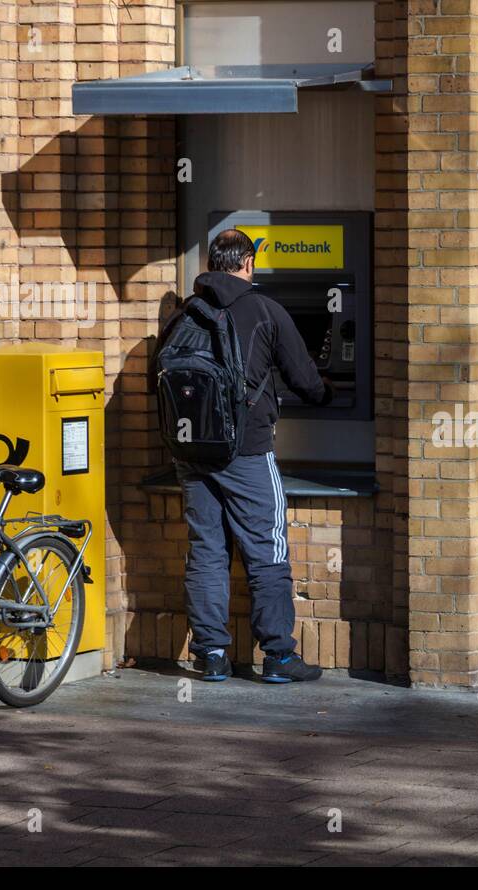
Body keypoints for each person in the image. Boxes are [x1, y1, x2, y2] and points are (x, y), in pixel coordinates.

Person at [171, 228, 333, 682]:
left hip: (192, 452)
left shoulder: (186, 311)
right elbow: (305, 378)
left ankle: (211, 656)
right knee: (267, 549)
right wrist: (328, 395)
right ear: (248, 263)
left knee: (206, 550)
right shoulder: (267, 310)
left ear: (212, 262)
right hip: (247, 450)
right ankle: (279, 657)